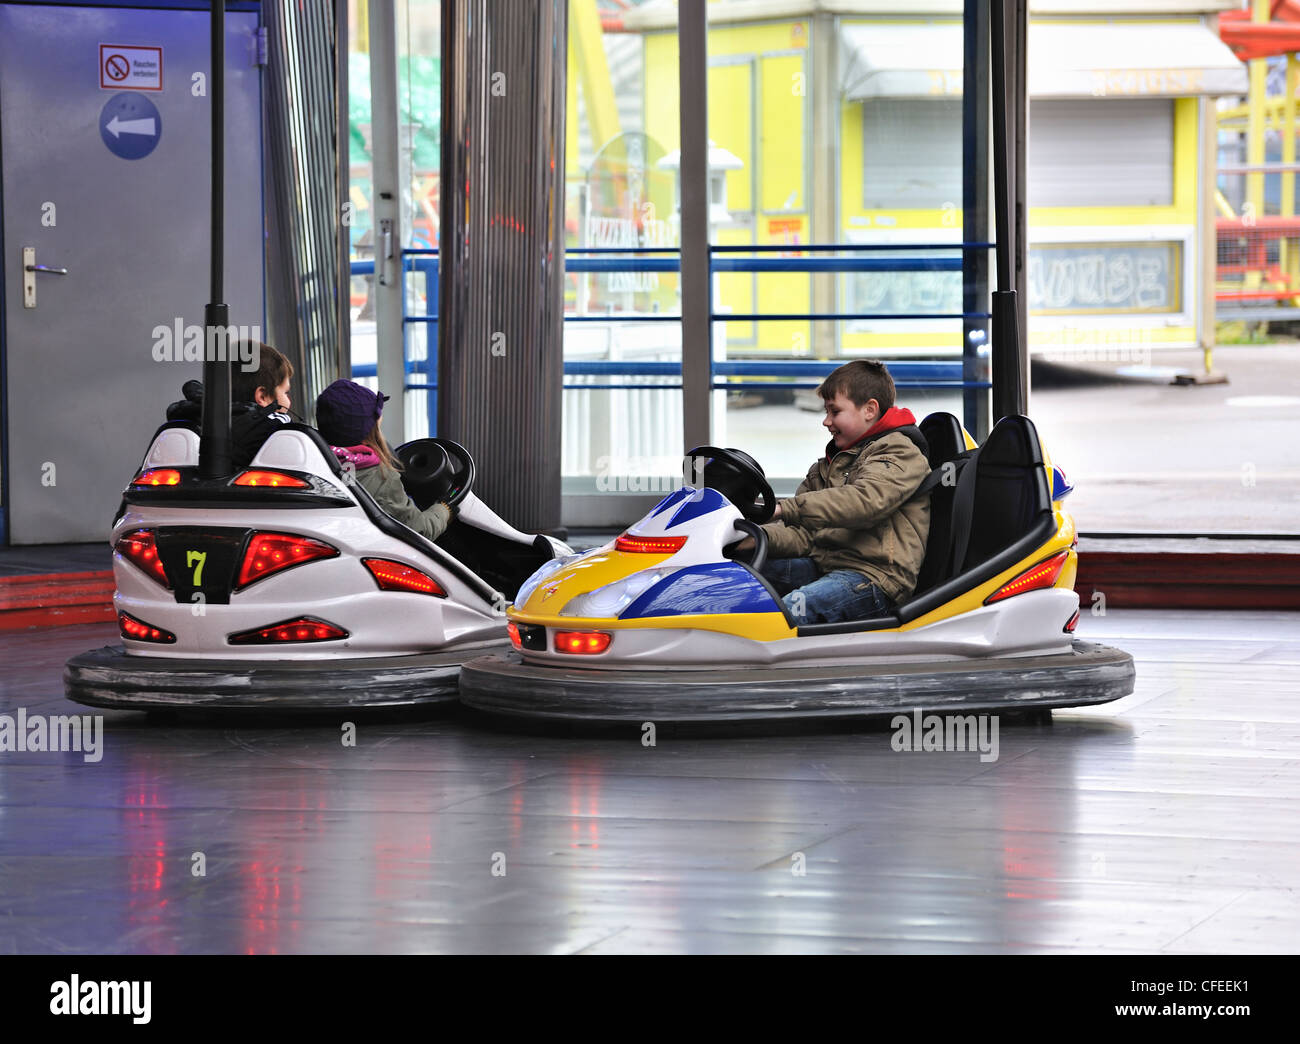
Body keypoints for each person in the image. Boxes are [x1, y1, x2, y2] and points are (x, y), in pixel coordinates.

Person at [738, 359, 931, 625]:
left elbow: (864, 502)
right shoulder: (831, 464)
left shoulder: (899, 452)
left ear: (869, 410)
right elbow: (805, 535)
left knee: (784, 614)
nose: (826, 421)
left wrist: (784, 507)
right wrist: (756, 537)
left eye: (834, 411)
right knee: (736, 577)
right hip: (826, 563)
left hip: (873, 579)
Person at [314, 379, 452, 543]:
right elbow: (419, 530)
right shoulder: (381, 479)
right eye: (378, 424)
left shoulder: (317, 460)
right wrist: (443, 510)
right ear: (367, 432)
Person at [164, 341, 295, 468]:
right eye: (286, 392)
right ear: (262, 396)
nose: (289, 401)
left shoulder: (187, 422)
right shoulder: (274, 429)